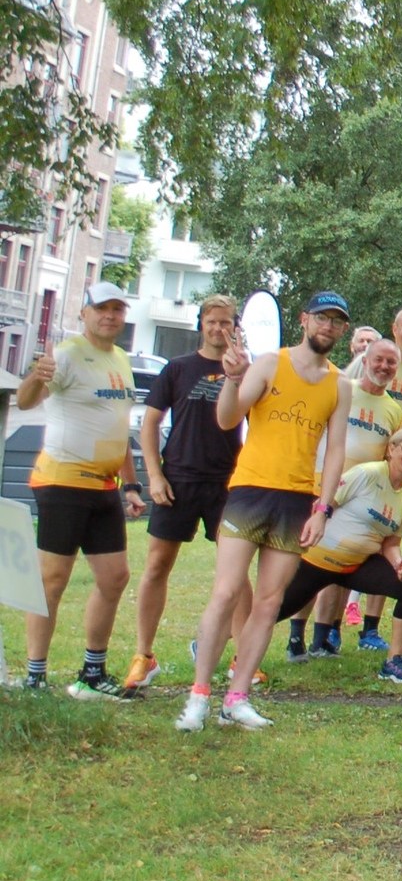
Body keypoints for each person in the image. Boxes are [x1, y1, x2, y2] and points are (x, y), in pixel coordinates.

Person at [176, 291, 353, 730]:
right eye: (322, 319)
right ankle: (198, 696)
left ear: (343, 330)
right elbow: (227, 418)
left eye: (337, 322)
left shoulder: (339, 384)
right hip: (251, 490)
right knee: (226, 591)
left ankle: (236, 698)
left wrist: (323, 508)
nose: (328, 327)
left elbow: (334, 453)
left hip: (296, 500)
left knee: (270, 602)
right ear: (304, 320)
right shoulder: (270, 363)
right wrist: (234, 380)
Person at [16, 281, 148, 699]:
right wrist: (37, 377)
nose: (110, 316)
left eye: (117, 309)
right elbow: (23, 402)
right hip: (63, 480)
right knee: (52, 580)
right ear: (84, 313)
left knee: (115, 578)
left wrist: (130, 484)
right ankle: (35, 676)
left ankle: (92, 674)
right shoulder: (68, 355)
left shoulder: (122, 359)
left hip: (105, 486)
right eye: (102, 309)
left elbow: (117, 426)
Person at [126, 294, 242, 691]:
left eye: (226, 322)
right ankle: (144, 655)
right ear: (201, 324)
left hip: (226, 482)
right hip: (177, 478)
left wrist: (238, 372)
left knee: (236, 575)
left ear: (235, 327)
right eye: (212, 321)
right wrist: (154, 477)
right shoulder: (177, 369)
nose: (218, 329)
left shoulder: (242, 369)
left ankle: (242, 657)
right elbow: (149, 424)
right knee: (157, 566)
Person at [271, 429, 402, 684]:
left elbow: (390, 543)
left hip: (356, 566)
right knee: (271, 609)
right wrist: (319, 520)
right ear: (391, 449)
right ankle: (212, 644)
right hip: (317, 561)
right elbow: (326, 502)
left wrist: (398, 563)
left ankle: (393, 662)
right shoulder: (366, 474)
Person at [293, 336, 402, 659]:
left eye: (391, 362)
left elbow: (389, 456)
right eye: (379, 360)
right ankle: (296, 637)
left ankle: (324, 637)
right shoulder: (342, 389)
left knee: (341, 567)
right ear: (365, 359)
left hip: (359, 500)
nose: (384, 367)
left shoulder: (393, 410)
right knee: (309, 565)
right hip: (321, 489)